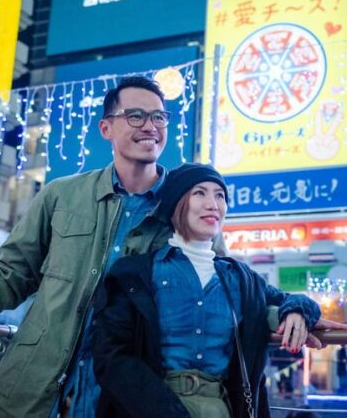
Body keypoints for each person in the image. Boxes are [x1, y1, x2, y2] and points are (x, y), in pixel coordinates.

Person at [0, 76, 346, 418]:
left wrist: (292, 312)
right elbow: (11, 276)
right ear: (107, 127)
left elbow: (226, 290)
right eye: (137, 115)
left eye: (159, 117)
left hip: (126, 391)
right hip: (34, 388)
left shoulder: (187, 207)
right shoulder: (60, 196)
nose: (150, 126)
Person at [90, 163, 321, 417]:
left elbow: (293, 300)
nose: (213, 204)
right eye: (200, 193)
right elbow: (111, 357)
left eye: (220, 195)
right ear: (177, 203)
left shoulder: (241, 278)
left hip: (222, 407)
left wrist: (299, 313)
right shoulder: (135, 273)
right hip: (148, 407)